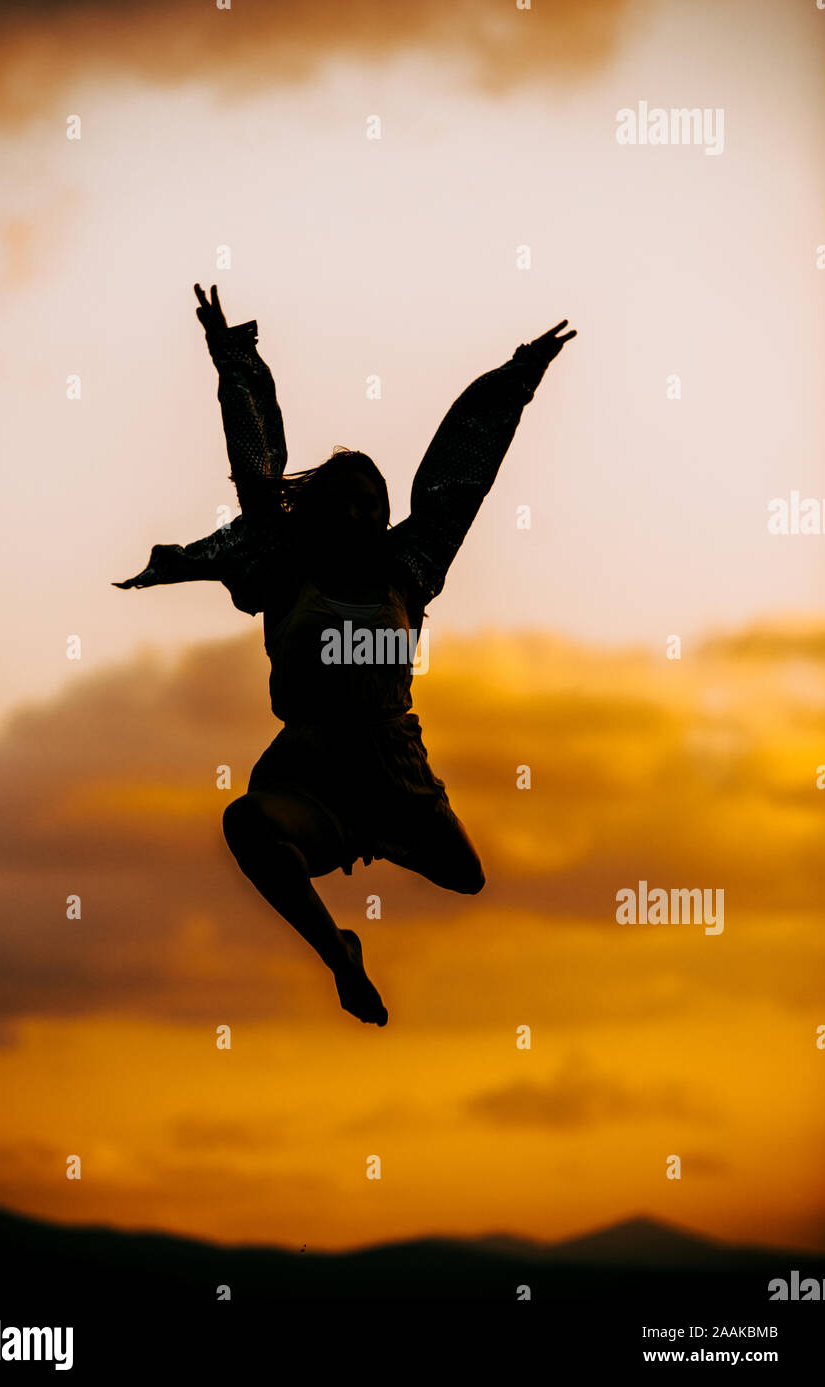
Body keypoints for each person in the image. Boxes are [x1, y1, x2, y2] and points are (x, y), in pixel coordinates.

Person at [114, 284, 576, 1026]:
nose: (362, 512)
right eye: (347, 500)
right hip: (312, 771)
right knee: (247, 826)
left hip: (395, 767)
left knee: (466, 877)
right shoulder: (280, 564)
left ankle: (380, 833)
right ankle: (341, 957)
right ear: (320, 509)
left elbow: (462, 473)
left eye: (374, 501)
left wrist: (517, 378)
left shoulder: (410, 567)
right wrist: (232, 357)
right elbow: (256, 460)